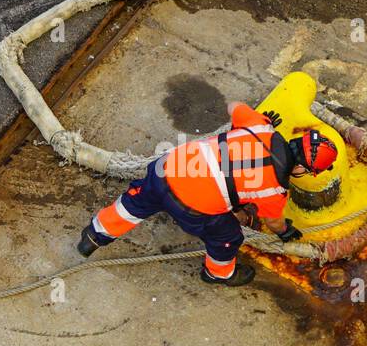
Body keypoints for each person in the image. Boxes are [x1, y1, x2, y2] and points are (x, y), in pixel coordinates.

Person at [78, 101, 338, 286]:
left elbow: (234, 106)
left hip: (166, 170)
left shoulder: (258, 127)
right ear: (302, 167)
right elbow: (273, 221)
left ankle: (95, 234)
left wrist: (261, 121)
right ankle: (218, 274)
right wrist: (284, 232)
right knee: (227, 236)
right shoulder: (274, 190)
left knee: (133, 205)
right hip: (189, 207)